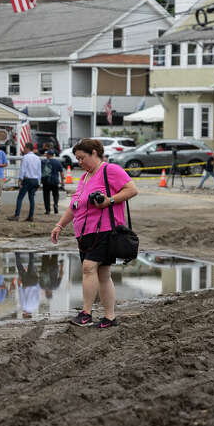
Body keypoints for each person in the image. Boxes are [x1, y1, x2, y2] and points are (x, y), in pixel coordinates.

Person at [50, 138, 138, 329]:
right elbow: (74, 207)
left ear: (95, 154)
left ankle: (86, 313)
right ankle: (110, 317)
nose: (79, 162)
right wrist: (59, 225)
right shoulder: (84, 178)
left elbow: (132, 189)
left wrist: (110, 201)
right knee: (103, 274)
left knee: (89, 268)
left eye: (82, 158)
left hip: (105, 231)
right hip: (85, 234)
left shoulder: (110, 170)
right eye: (77, 159)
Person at [10, 143, 41, 221]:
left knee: (20, 197)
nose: (23, 150)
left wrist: (20, 180)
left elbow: (22, 169)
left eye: (24, 148)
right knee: (31, 198)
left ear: (27, 148)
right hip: (35, 180)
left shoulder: (25, 157)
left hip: (27, 179)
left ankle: (17, 215)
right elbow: (39, 172)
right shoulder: (37, 158)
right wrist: (39, 183)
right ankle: (31, 216)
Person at [41, 149, 64, 213]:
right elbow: (61, 173)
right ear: (53, 155)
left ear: (48, 155)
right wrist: (62, 182)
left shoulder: (43, 162)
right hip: (55, 181)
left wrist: (40, 180)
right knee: (56, 194)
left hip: (46, 181)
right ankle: (55, 205)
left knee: (46, 196)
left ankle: (47, 210)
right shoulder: (57, 162)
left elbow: (41, 171)